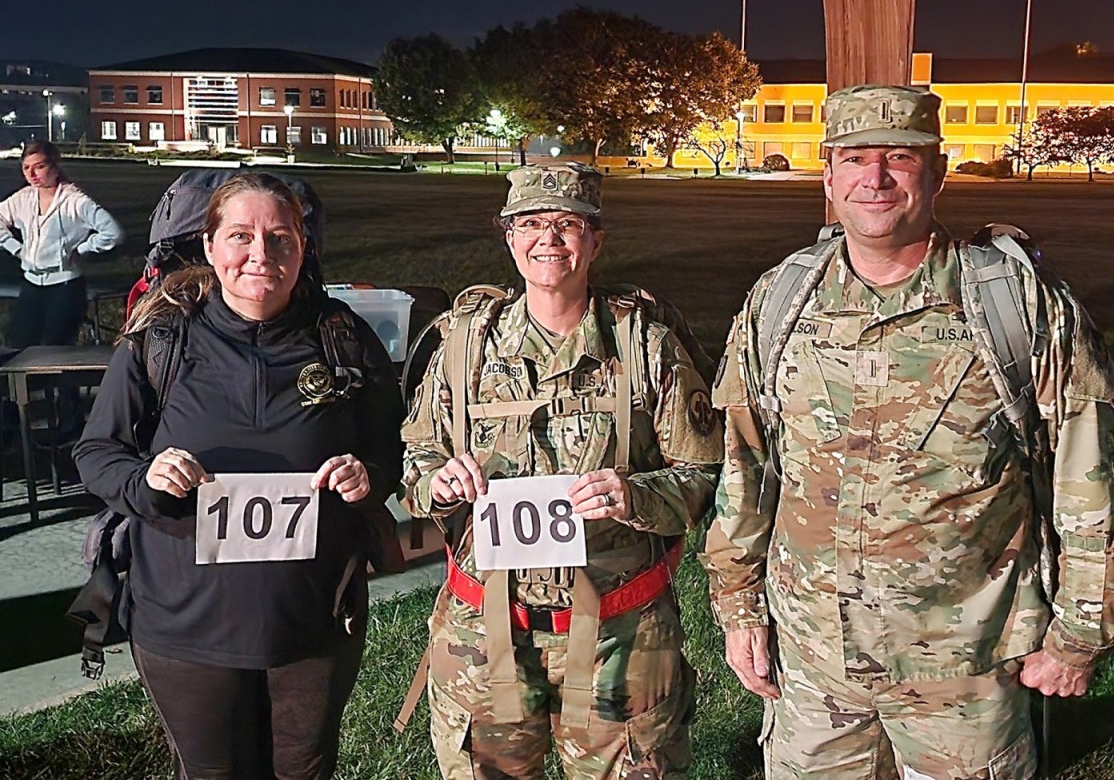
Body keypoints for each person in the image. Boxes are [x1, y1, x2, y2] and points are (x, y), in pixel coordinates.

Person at [701, 85, 1114, 779]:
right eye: (853, 158)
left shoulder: (1013, 301)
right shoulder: (780, 300)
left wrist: (1080, 634)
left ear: (937, 173)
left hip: (964, 668)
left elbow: (1093, 478)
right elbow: (744, 467)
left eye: (899, 158)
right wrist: (738, 608)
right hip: (815, 665)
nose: (873, 179)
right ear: (828, 174)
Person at [73, 172, 402, 779]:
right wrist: (145, 481)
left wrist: (369, 476)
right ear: (209, 245)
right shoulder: (161, 339)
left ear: (305, 248)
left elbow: (389, 447)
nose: (261, 255)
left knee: (305, 770)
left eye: (281, 237)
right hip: (185, 624)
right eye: (241, 236)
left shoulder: (344, 338)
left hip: (312, 621)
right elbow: (98, 452)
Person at [402, 163, 722, 779]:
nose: (548, 239)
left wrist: (636, 495)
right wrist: (438, 482)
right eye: (530, 223)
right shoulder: (467, 347)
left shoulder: (643, 346)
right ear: (509, 237)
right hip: (485, 634)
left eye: (567, 224)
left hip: (618, 634)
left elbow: (705, 470)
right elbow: (418, 456)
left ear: (595, 241)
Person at [0, 140, 124, 348]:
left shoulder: (74, 200)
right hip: (31, 283)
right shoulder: (23, 198)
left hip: (65, 286)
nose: (32, 174)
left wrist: (82, 248)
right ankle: (24, 381)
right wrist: (16, 249)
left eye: (39, 166)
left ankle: (56, 381)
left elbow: (113, 232)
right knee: (17, 343)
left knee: (55, 348)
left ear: (55, 167)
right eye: (26, 168)